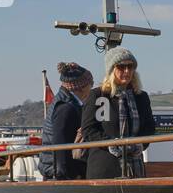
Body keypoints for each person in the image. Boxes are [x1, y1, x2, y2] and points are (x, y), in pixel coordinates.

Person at [82, 46, 156, 179]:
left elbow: (149, 128)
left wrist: (140, 144)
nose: (127, 71)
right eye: (121, 67)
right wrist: (112, 144)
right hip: (104, 168)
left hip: (135, 168)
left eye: (130, 66)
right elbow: (89, 130)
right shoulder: (98, 95)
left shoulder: (141, 96)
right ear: (111, 70)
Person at [39, 62, 93, 180]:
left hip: (56, 169)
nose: (91, 89)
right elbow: (61, 147)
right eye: (91, 84)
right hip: (57, 173)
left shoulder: (67, 102)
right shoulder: (65, 108)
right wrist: (70, 176)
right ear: (82, 87)